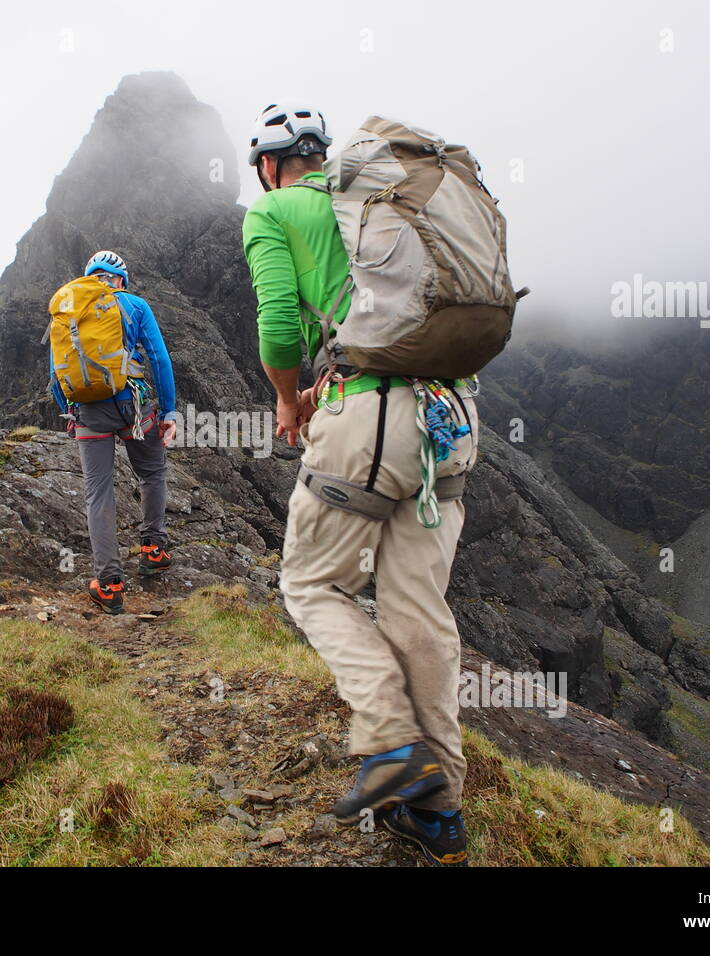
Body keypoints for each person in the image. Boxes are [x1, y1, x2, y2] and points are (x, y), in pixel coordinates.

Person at [242, 104, 480, 865]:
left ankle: (390, 741)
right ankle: (441, 813)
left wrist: (287, 397)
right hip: (453, 418)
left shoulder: (274, 210)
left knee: (312, 585)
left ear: (271, 164)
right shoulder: (379, 204)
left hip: (368, 418)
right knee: (419, 610)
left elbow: (280, 323)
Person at [49, 250, 179, 614]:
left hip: (89, 411)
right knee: (152, 473)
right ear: (120, 279)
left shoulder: (71, 308)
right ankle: (154, 549)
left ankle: (109, 584)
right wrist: (168, 409)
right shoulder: (135, 305)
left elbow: (56, 371)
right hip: (133, 405)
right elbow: (159, 358)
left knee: (98, 493)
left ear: (91, 277)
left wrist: (72, 411)